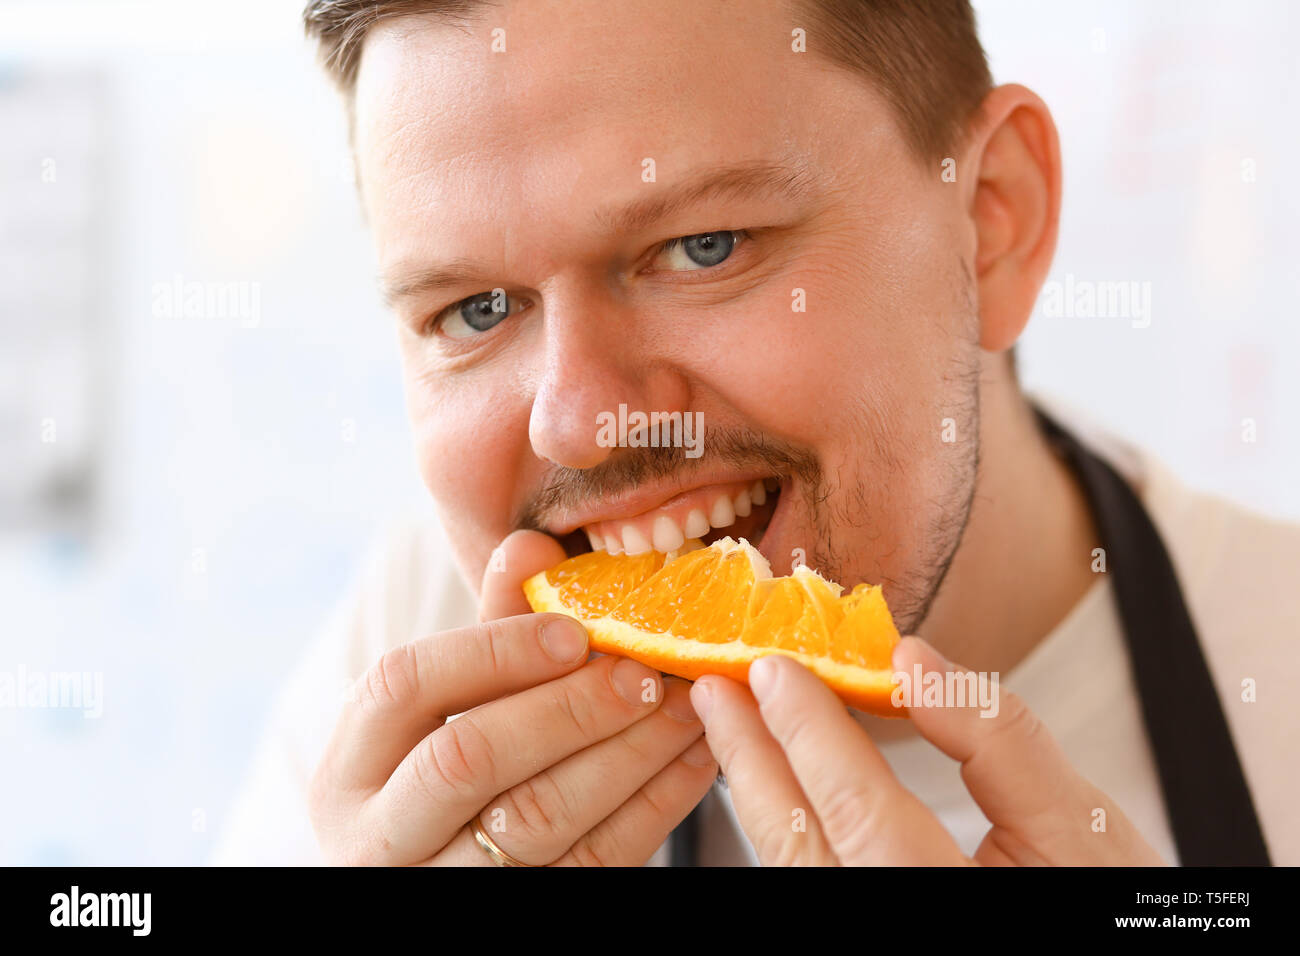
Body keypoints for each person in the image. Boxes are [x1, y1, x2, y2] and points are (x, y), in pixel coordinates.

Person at [213, 0, 1299, 866]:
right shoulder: (426, 656)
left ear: (991, 223)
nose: (582, 422)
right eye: (477, 310)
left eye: (704, 245)